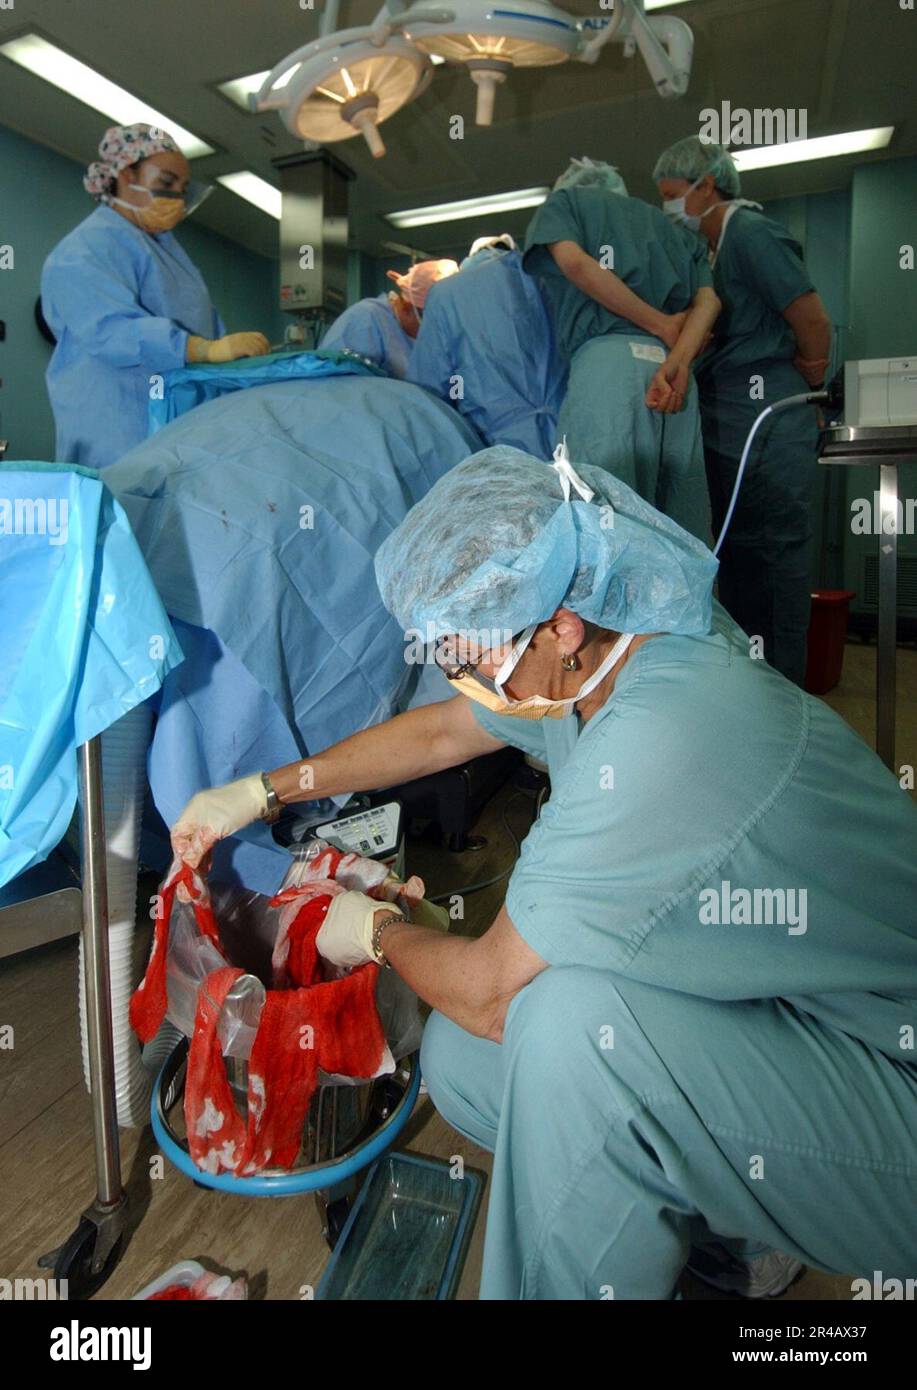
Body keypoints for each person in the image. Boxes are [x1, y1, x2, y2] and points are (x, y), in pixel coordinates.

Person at [170, 444, 917, 1301]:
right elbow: (444, 733)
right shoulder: (601, 654)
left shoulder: (664, 730)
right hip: (793, 1015)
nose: (454, 677)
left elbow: (487, 986)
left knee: (567, 1035)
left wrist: (369, 929)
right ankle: (729, 1236)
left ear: (557, 624)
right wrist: (266, 789)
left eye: (465, 656)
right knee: (464, 1059)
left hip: (889, 1082)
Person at [653, 136, 833, 685]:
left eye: (671, 195)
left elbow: (811, 318)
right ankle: (750, 690)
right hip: (727, 417)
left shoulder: (750, 233)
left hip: (767, 416)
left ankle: (786, 695)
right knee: (737, 557)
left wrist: (811, 370)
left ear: (706, 185)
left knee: (776, 556)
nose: (668, 208)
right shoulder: (706, 253)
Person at [41, 123, 270, 470]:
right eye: (165, 183)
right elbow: (111, 332)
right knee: (123, 515)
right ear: (123, 174)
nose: (176, 196)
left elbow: (205, 327)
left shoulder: (168, 254)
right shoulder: (84, 249)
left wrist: (238, 364)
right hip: (119, 433)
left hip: (181, 432)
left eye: (182, 188)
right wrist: (200, 350)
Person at [522, 157, 721, 541]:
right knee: (682, 525)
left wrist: (660, 323)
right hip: (673, 374)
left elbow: (576, 266)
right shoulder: (672, 229)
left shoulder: (566, 204)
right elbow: (708, 303)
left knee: (600, 522)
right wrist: (678, 359)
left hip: (606, 370)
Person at [407, 232, 566, 456]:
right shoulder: (552, 279)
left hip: (498, 447)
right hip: (571, 435)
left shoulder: (447, 294)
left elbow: (430, 391)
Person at [321, 259, 459, 378]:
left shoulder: (432, 344)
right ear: (406, 306)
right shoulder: (365, 320)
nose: (435, 330)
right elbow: (345, 388)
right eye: (431, 320)